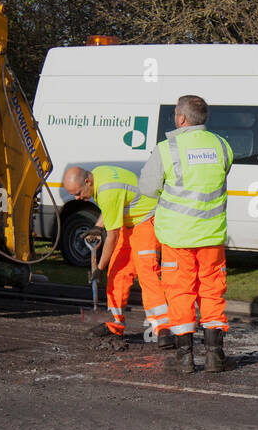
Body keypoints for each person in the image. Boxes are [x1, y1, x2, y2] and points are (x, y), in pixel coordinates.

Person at [139, 95, 233, 373]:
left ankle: (184, 359)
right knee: (212, 292)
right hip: (211, 237)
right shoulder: (221, 145)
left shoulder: (167, 148)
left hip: (177, 238)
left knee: (180, 293)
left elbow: (147, 188)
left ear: (181, 118)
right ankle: (215, 357)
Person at [62, 164, 171, 347]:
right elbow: (112, 206)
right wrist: (98, 226)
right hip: (131, 224)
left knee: (147, 274)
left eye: (79, 192)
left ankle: (164, 330)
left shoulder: (105, 190)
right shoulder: (99, 175)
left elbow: (112, 237)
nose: (77, 198)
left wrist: (99, 268)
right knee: (118, 273)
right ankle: (114, 324)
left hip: (147, 220)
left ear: (87, 181)